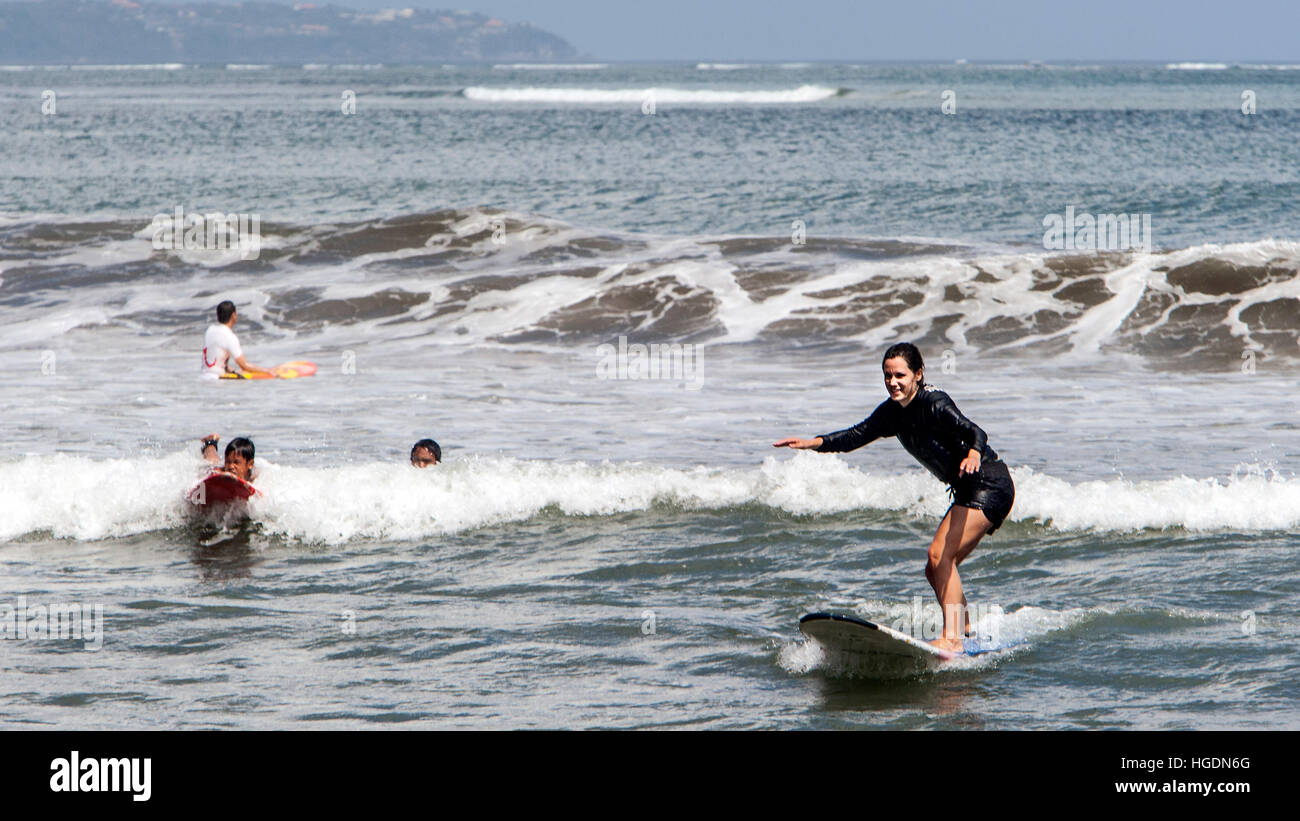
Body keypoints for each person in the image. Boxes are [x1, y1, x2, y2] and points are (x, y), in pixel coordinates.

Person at [773, 342, 1015, 655]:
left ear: (918, 374)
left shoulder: (935, 402)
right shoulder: (893, 412)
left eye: (900, 375)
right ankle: (966, 631)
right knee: (937, 566)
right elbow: (855, 435)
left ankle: (952, 638)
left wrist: (972, 453)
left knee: (940, 555)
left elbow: (976, 432)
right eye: (887, 376)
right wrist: (813, 443)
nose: (893, 382)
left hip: (989, 483)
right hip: (970, 490)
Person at [201, 300, 271, 379]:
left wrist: (233, 371)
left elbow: (217, 360)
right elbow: (244, 366)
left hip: (204, 379)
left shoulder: (210, 330)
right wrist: (269, 371)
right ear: (234, 315)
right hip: (218, 382)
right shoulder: (229, 337)